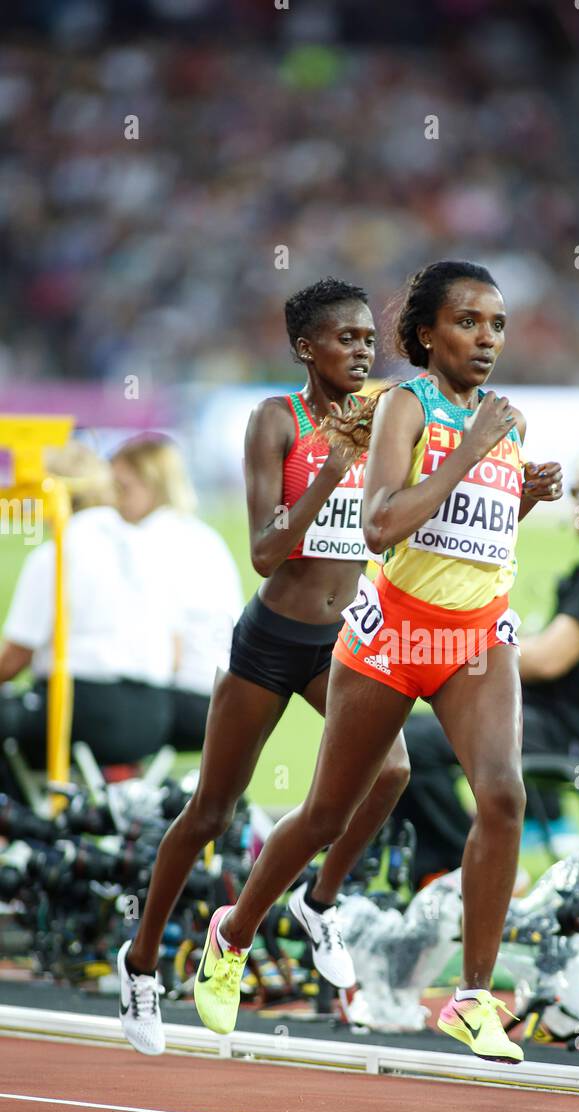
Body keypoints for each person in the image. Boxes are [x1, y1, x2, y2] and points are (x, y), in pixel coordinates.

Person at [193, 259, 562, 1063]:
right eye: (468, 322)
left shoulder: (507, 419)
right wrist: (471, 451)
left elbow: (475, 534)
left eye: (497, 324)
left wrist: (521, 495)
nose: (487, 338)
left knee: (502, 795)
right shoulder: (404, 405)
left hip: (475, 634)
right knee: (329, 812)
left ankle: (472, 996)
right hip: (392, 634)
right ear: (427, 334)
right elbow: (382, 525)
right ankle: (234, 931)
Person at [118, 277, 410, 1056]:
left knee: (390, 774)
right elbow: (263, 551)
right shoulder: (274, 420)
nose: (360, 350)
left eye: (366, 339)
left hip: (343, 640)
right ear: (304, 348)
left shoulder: (388, 419)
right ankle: (141, 960)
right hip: (272, 640)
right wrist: (331, 468)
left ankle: (319, 900)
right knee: (211, 811)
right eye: (343, 339)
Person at [392, 439, 579, 885]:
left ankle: (468, 870)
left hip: (560, 731)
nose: (576, 502)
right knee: (407, 738)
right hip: (556, 721)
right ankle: (439, 866)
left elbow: (547, 659)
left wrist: (459, 649)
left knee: (407, 741)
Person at [0, 443, 175, 776]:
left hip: (82, 709)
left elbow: (14, 657)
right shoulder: (150, 547)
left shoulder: (57, 554)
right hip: (154, 714)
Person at [109, 434, 244, 751]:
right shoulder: (203, 535)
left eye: (123, 487)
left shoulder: (143, 540)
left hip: (183, 698)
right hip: (224, 699)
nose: (114, 499)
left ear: (152, 484)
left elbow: (168, 649)